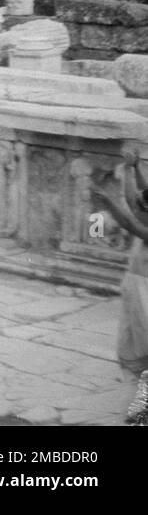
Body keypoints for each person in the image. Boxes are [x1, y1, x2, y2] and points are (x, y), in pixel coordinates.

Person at [90, 150, 148, 386]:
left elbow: (129, 221)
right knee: (133, 344)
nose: (139, 207)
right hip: (136, 290)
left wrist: (108, 203)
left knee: (142, 345)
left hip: (144, 293)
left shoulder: (144, 230)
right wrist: (132, 169)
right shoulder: (143, 216)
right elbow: (137, 198)